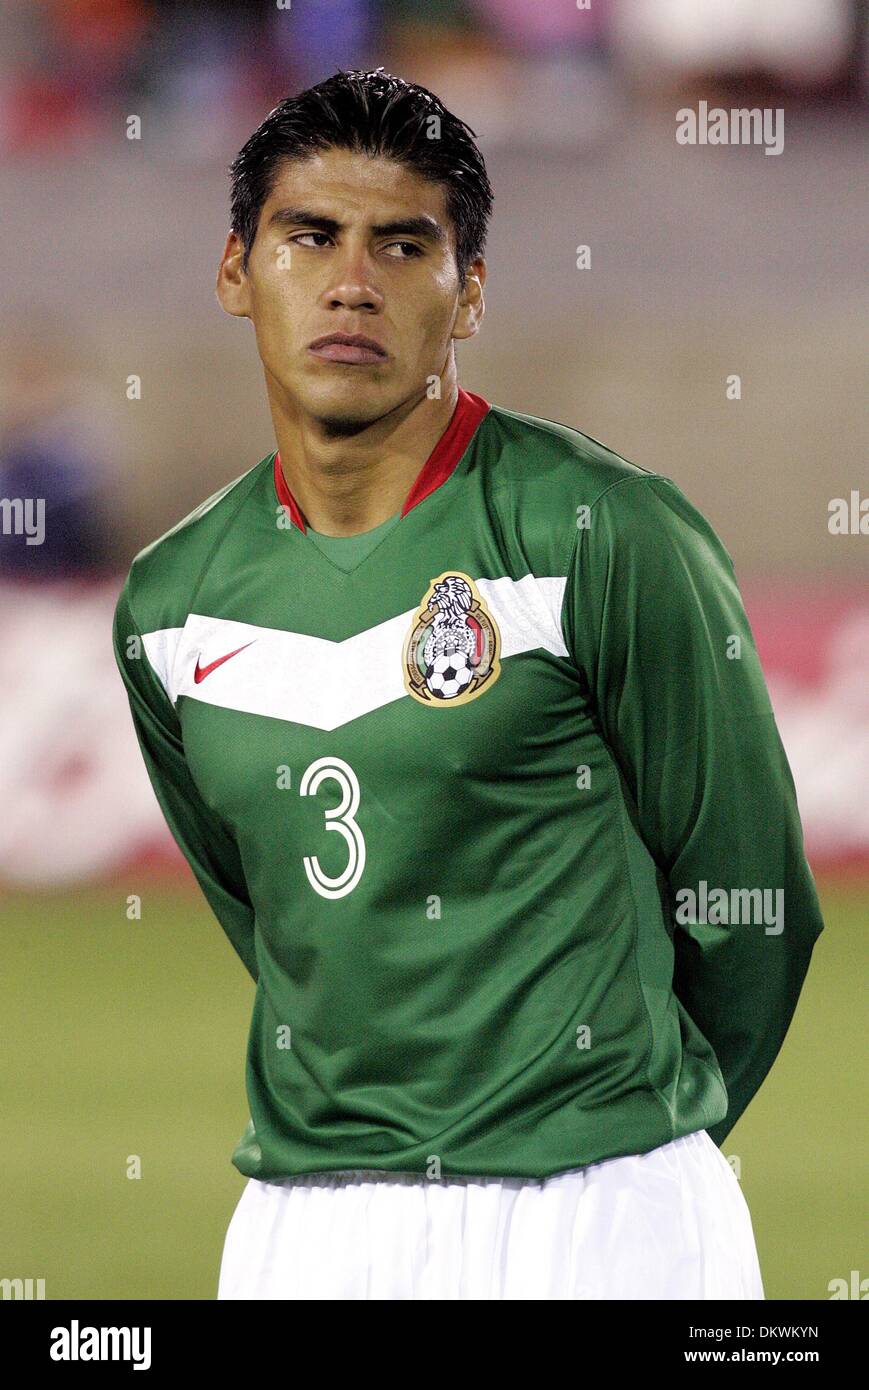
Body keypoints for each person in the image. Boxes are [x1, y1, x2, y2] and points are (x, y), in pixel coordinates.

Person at [112, 68, 824, 1300]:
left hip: (601, 1212)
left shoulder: (601, 530)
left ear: (470, 292)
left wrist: (637, 1140)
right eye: (308, 237)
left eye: (403, 244)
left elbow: (748, 892)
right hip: (308, 1229)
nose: (351, 281)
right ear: (235, 273)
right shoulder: (170, 608)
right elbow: (278, 926)